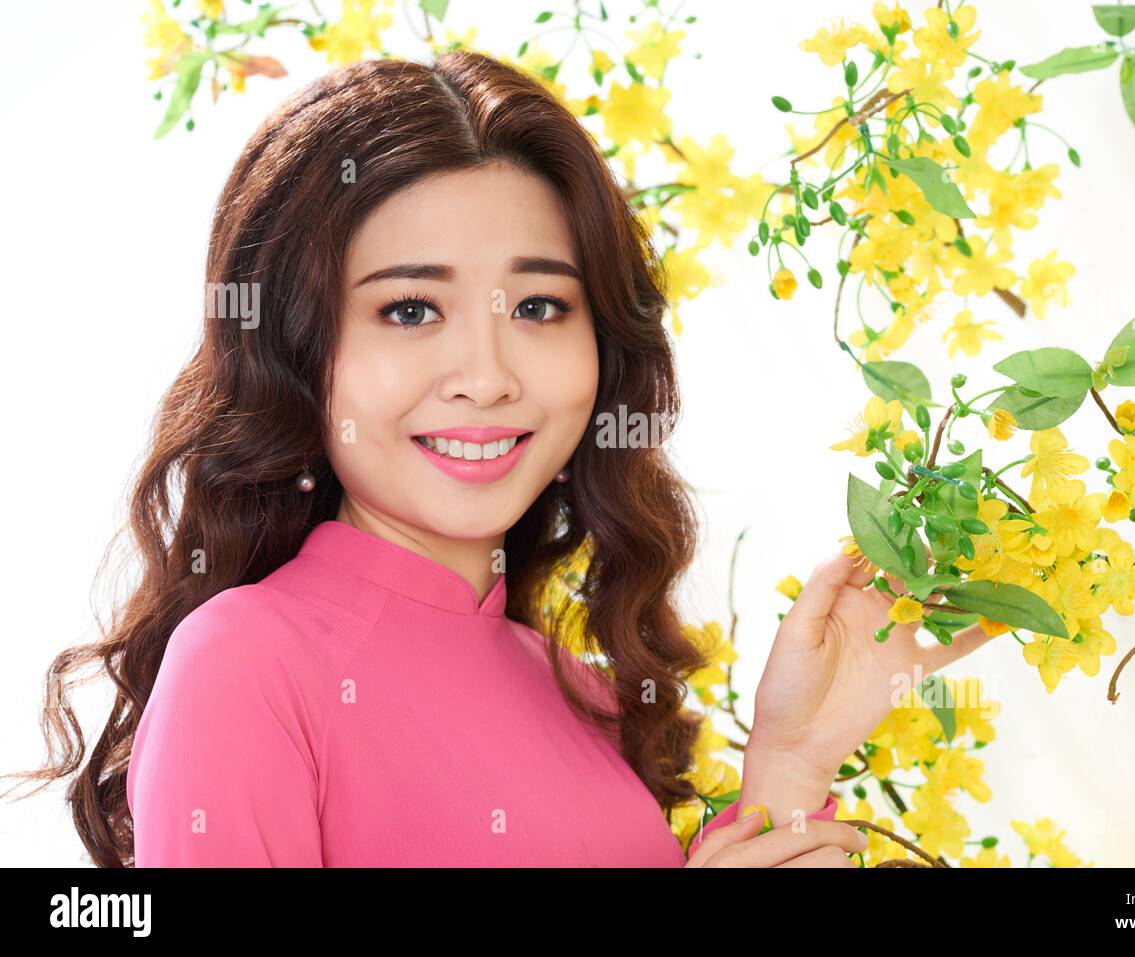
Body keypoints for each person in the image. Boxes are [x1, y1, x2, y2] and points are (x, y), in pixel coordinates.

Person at [5, 51, 992, 867]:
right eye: (409, 310)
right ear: (298, 353)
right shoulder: (250, 665)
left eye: (537, 308)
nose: (486, 375)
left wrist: (789, 762)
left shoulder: (581, 688)